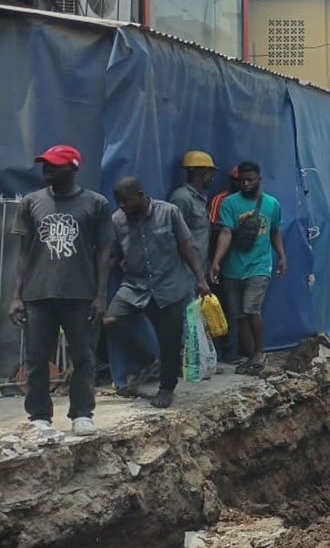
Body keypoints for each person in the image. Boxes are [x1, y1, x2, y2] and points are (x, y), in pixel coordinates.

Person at [7, 145, 114, 435]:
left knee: (84, 357)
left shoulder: (96, 203)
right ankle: (39, 416)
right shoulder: (31, 202)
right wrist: (16, 296)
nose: (47, 170)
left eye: (54, 165)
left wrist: (100, 295)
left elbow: (104, 253)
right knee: (37, 359)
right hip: (38, 293)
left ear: (73, 167)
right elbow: (23, 253)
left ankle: (82, 413)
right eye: (45, 164)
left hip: (80, 294)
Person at [105, 177, 210, 409]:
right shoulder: (117, 220)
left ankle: (166, 388)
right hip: (134, 285)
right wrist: (96, 284)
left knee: (169, 340)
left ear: (140, 195)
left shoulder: (168, 212)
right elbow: (113, 255)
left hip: (168, 285)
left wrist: (200, 278)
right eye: (118, 201)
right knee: (111, 320)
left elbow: (186, 246)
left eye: (125, 200)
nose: (121, 205)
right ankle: (146, 360)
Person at [210, 161, 285, 375]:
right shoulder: (229, 204)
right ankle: (252, 356)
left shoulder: (272, 204)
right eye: (242, 180)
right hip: (233, 268)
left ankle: (260, 352)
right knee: (239, 315)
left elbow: (274, 231)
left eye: (250, 179)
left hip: (259, 266)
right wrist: (216, 261)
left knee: (252, 309)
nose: (246, 183)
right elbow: (225, 232)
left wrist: (282, 256)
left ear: (259, 179)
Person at [208, 166, 240, 364]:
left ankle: (237, 350)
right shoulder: (221, 200)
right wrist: (216, 261)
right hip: (224, 262)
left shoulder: (256, 201)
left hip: (245, 263)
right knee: (224, 307)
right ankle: (226, 352)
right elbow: (214, 229)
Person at [169, 151, 216, 274]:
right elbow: (177, 237)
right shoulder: (182, 198)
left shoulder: (201, 198)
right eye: (210, 174)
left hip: (200, 268)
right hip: (186, 272)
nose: (212, 178)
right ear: (202, 174)